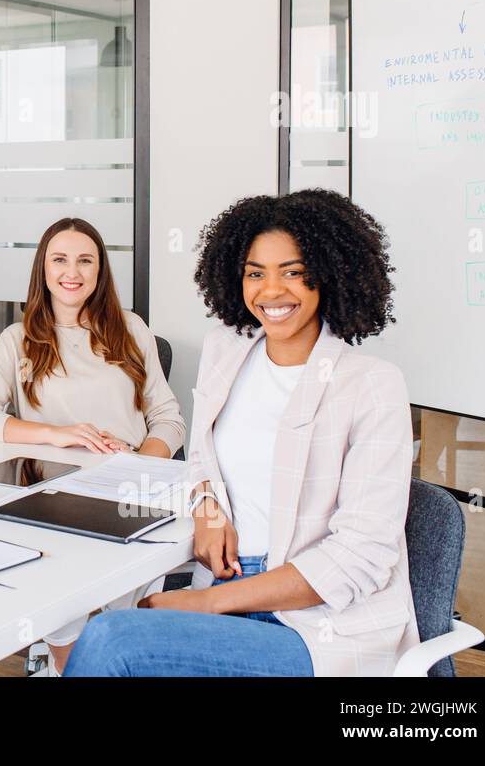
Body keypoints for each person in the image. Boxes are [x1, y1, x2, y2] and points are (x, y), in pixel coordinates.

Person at [64, 188, 420, 676]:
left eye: (294, 272)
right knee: (111, 624)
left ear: (332, 275)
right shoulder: (226, 351)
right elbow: (203, 459)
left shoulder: (372, 385)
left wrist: (211, 605)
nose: (271, 291)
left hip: (316, 622)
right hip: (226, 581)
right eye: (256, 273)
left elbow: (361, 555)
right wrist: (206, 507)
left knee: (114, 639)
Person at [0, 217, 184, 673]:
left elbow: (169, 420)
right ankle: (60, 660)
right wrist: (59, 433)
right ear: (43, 268)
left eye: (85, 260)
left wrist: (138, 467)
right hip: (53, 495)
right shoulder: (18, 340)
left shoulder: (131, 330)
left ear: (100, 271)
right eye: (59, 260)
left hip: (130, 489)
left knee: (126, 614)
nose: (72, 272)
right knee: (60, 598)